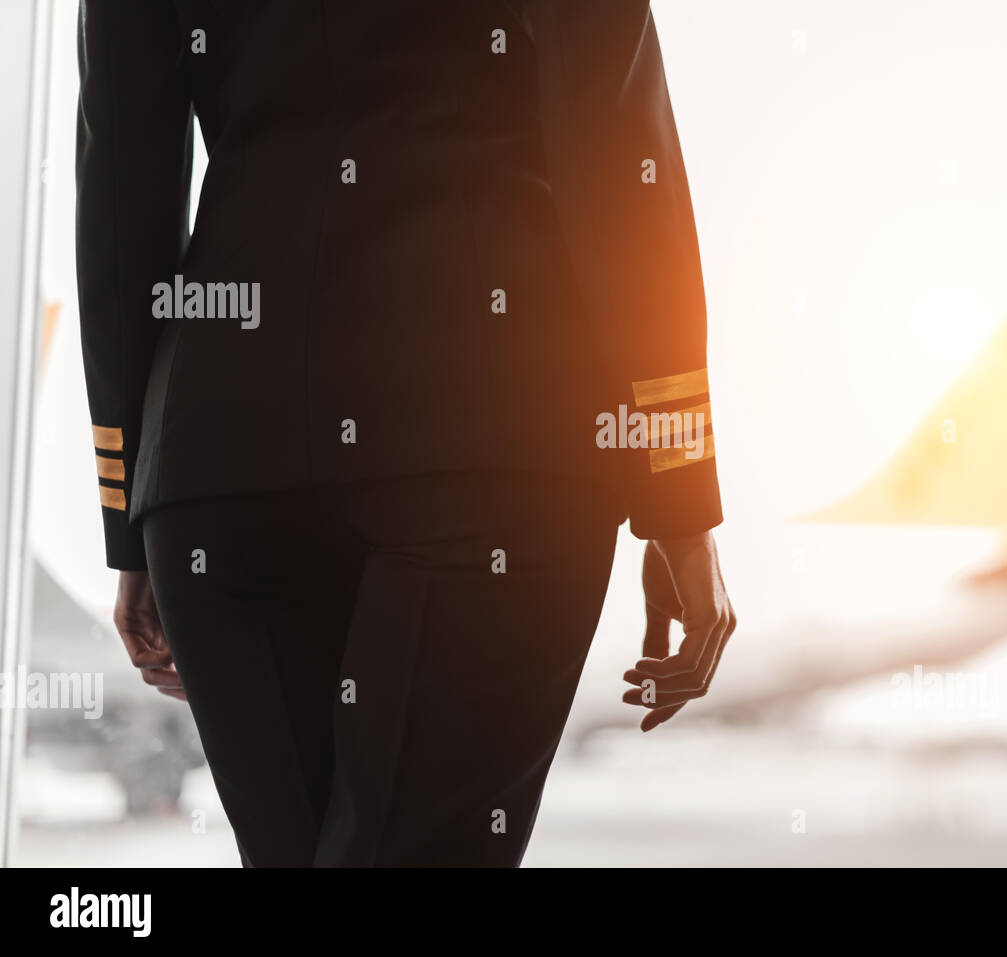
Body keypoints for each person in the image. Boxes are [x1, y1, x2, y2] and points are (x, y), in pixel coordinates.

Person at [76, 0, 735, 867]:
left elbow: (121, 193)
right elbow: (621, 158)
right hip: (494, 443)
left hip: (223, 456)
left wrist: (134, 514)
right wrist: (677, 489)